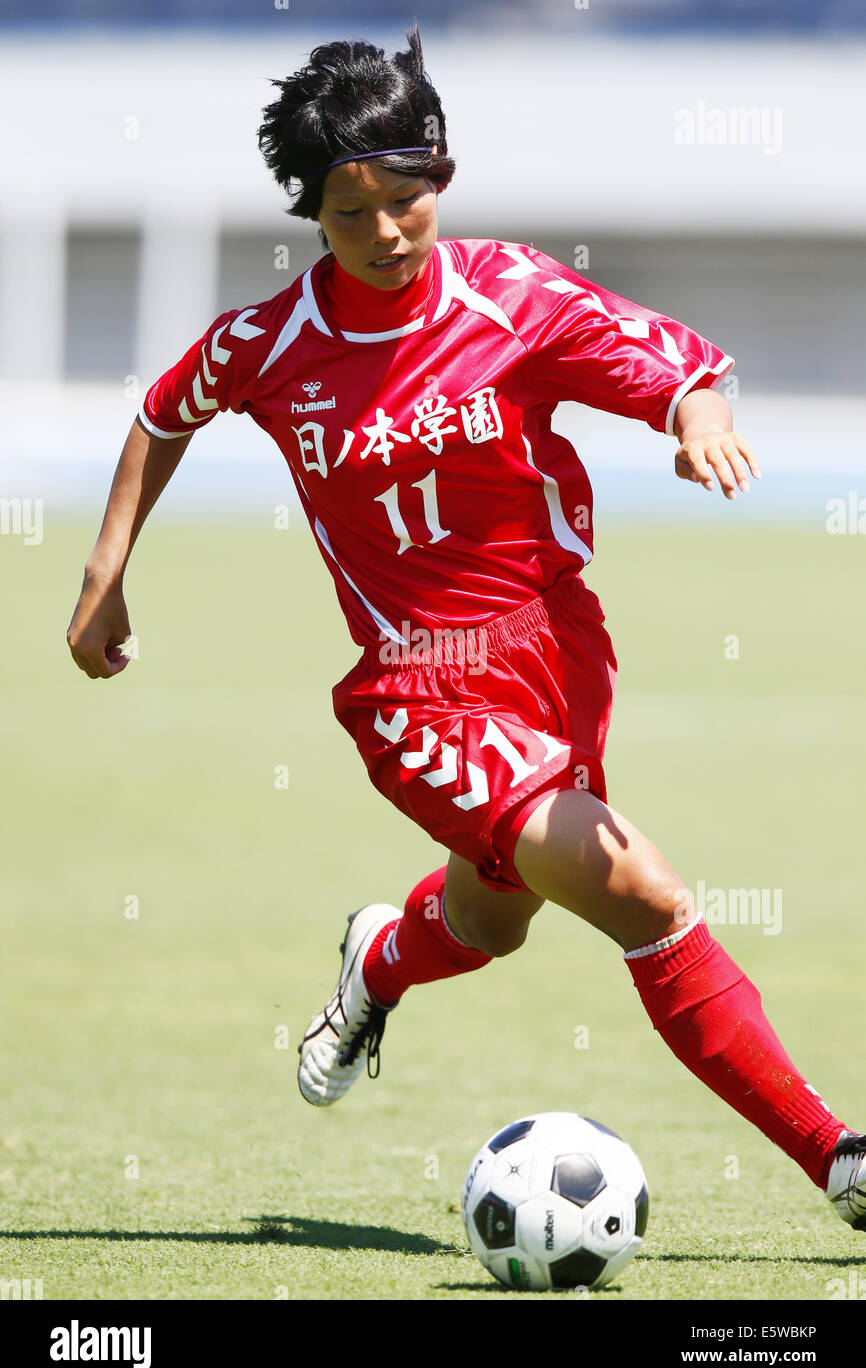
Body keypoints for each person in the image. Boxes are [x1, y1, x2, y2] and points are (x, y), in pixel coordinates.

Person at [67, 24, 865, 1235]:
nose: (385, 233)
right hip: (417, 687)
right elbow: (166, 408)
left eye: (404, 198)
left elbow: (665, 362)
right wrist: (105, 568)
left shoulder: (514, 295)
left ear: (437, 176)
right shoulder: (274, 342)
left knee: (491, 922)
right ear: (311, 214)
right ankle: (837, 1156)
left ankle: (377, 961)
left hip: (557, 651)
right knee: (641, 896)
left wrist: (694, 414)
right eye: (349, 212)